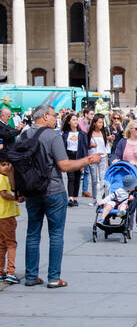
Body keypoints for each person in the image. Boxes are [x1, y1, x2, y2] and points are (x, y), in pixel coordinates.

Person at [21, 103, 102, 287]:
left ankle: (31, 276)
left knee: (32, 233)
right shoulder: (52, 136)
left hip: (32, 190)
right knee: (56, 234)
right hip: (53, 189)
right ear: (44, 117)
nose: (56, 117)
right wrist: (88, 159)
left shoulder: (25, 134)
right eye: (53, 114)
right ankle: (53, 278)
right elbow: (64, 166)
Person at [110, 119, 137, 234]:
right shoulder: (123, 142)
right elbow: (117, 154)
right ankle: (128, 224)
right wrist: (115, 160)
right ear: (130, 130)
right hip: (127, 174)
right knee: (129, 200)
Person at [61, 113, 89, 207]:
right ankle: (70, 198)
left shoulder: (82, 134)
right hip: (69, 157)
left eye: (76, 120)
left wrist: (84, 162)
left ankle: (75, 197)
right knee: (71, 178)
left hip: (78, 158)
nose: (75, 122)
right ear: (69, 122)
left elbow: (84, 149)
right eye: (73, 120)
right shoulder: (65, 134)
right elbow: (63, 147)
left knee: (77, 179)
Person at [0, 156, 20, 283]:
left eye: (8, 164)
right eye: (3, 164)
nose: (6, 167)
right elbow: (4, 194)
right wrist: (15, 198)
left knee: (2, 244)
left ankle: (1, 270)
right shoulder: (2, 178)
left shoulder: (6, 177)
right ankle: (10, 271)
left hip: (4, 215)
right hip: (6, 215)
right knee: (11, 243)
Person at [85, 114, 110, 203]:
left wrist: (107, 161)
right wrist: (91, 146)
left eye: (102, 122)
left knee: (102, 178)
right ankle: (95, 198)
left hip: (102, 157)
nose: (101, 124)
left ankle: (102, 198)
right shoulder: (90, 133)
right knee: (94, 179)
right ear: (94, 123)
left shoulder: (103, 133)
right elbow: (86, 146)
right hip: (92, 158)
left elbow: (106, 147)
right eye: (99, 122)